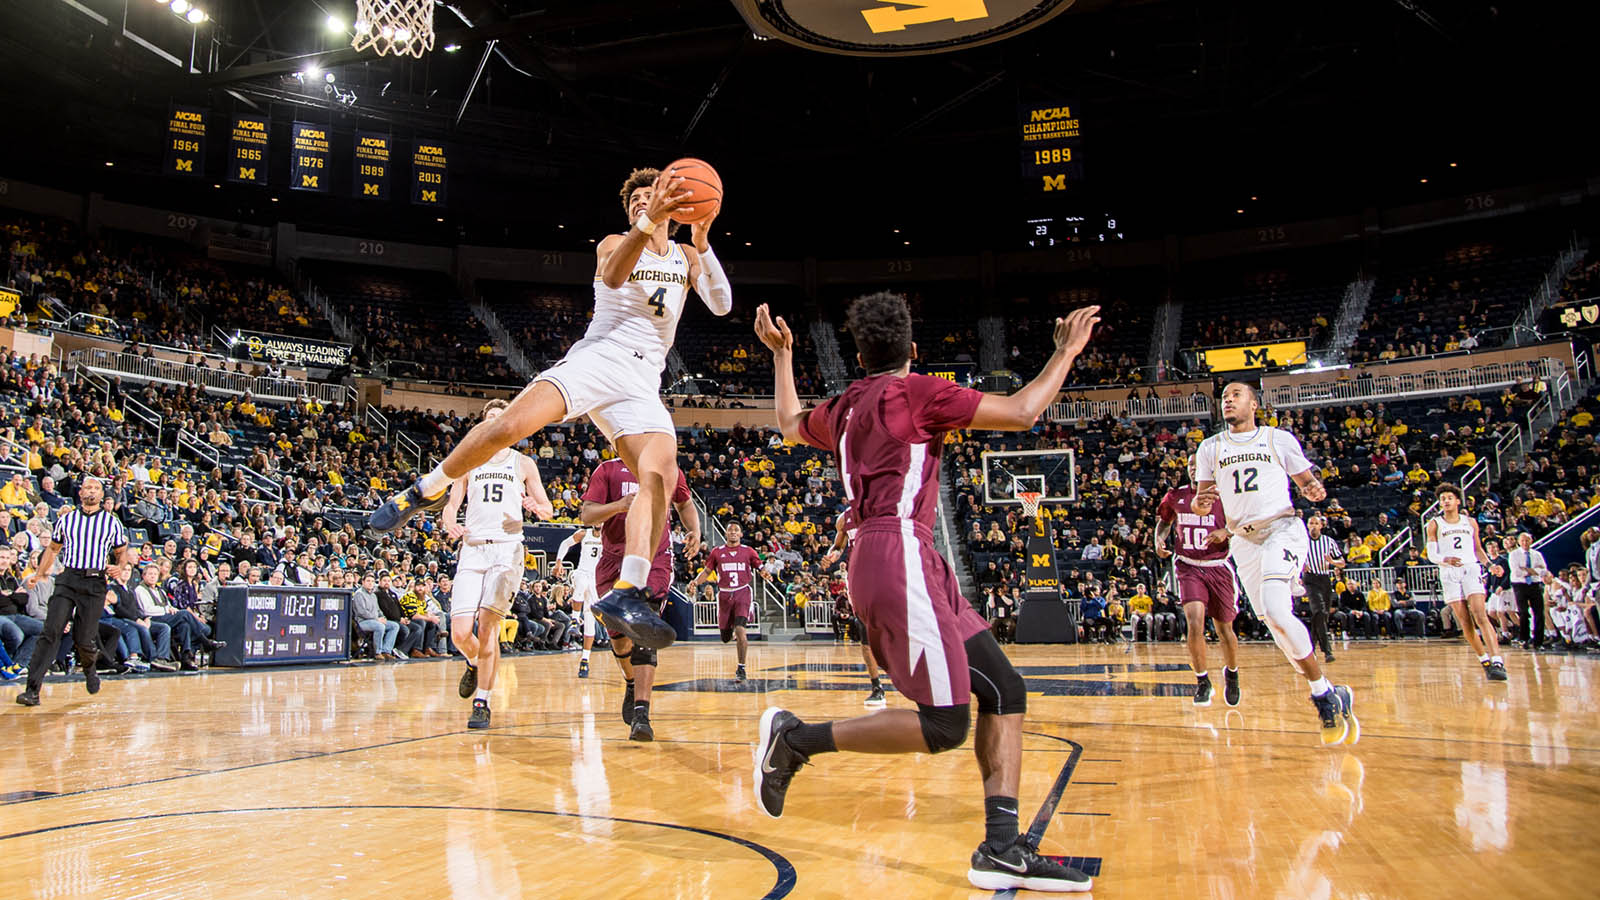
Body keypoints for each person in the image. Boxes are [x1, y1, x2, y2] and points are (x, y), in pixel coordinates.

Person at [750, 293, 1099, 892]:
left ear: (860, 356)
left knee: (1005, 690)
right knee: (945, 726)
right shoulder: (916, 392)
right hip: (898, 552)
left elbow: (786, 424)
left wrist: (782, 357)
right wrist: (1065, 352)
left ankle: (1002, 848)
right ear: (913, 351)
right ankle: (797, 738)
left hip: (898, 555)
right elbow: (1020, 412)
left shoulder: (845, 404)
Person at [368, 167, 730, 655]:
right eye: (635, 202)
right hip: (598, 358)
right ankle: (426, 488)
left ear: (675, 206)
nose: (642, 204)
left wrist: (703, 238)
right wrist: (644, 225)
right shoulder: (613, 242)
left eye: (651, 197)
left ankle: (629, 592)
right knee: (508, 426)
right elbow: (615, 273)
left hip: (644, 383)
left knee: (660, 475)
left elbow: (722, 304)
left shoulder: (686, 256)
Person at [1194, 383, 1358, 745]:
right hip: (1243, 541)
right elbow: (1202, 498)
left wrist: (1314, 489)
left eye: (1236, 394)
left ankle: (1321, 695)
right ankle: (1334, 692)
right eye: (1224, 397)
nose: (1229, 400)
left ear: (1254, 403)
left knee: (1275, 609)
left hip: (1280, 530)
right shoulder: (1210, 448)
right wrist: (1201, 505)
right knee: (1274, 622)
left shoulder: (1276, 439)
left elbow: (1306, 482)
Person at [439, 402, 552, 729]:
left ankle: (482, 702)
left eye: (498, 419)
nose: (494, 424)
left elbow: (547, 508)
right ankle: (474, 663)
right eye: (488, 419)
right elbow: (451, 504)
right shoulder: (468, 461)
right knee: (460, 633)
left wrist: (536, 506)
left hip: (506, 550)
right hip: (472, 550)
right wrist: (450, 524)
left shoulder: (523, 463)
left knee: (487, 627)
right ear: (481, 427)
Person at [580, 456, 700, 742]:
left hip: (654, 556)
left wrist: (694, 529)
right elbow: (587, 515)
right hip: (613, 560)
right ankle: (631, 682)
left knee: (645, 626)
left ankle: (642, 714)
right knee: (619, 636)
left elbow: (684, 502)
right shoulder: (607, 469)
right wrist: (620, 506)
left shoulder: (666, 465)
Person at [16, 477, 133, 707]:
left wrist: (118, 568)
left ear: (102, 495)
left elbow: (121, 552)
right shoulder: (66, 519)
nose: (91, 491)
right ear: (80, 493)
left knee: (83, 638)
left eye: (96, 488)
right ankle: (32, 690)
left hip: (95, 582)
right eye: (87, 487)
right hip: (68, 579)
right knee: (51, 631)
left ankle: (90, 670)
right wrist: (40, 574)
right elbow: (53, 548)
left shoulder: (112, 523)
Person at [1155, 456, 1241, 706]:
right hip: (1188, 565)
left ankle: (1232, 673)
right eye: (1190, 465)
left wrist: (1225, 532)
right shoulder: (1176, 495)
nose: (1193, 468)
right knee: (1194, 622)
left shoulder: (1227, 495)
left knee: (1225, 629)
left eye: (1198, 465)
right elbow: (1164, 522)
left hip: (1217, 566)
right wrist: (1158, 540)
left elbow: (1245, 525)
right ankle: (1202, 681)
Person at [1424, 485, 1508, 680]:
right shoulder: (1435, 524)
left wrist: (1490, 565)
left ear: (1457, 501)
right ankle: (1484, 660)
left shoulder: (1470, 522)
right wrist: (1444, 560)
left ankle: (1497, 660)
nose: (1446, 501)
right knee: (1465, 622)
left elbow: (1478, 548)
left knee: (1481, 614)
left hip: (1470, 568)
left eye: (1449, 498)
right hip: (1449, 572)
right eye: (1443, 498)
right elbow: (1431, 554)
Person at [822, 509, 888, 705]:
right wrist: (831, 556)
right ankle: (876, 686)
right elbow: (837, 547)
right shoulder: (844, 518)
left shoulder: (883, 509)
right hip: (858, 576)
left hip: (885, 572)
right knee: (864, 630)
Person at [691, 522, 764, 682]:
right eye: (729, 529)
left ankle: (741, 668)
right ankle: (730, 630)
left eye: (736, 530)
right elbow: (707, 571)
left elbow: (759, 565)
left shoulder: (748, 551)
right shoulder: (717, 552)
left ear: (741, 534)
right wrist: (695, 583)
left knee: (740, 629)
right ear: (725, 533)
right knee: (725, 638)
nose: (732, 532)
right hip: (724, 595)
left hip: (742, 593)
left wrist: (764, 572)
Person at [554, 525, 605, 678]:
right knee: (581, 583)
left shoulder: (608, 537)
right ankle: (575, 619)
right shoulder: (584, 534)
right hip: (581, 572)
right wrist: (558, 562)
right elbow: (565, 544)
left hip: (596, 579)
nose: (599, 522)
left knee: (590, 619)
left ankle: (585, 660)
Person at [1302, 515, 1341, 662]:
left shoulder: (1328, 541)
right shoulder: (1302, 542)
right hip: (1310, 578)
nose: (1313, 525)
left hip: (1325, 579)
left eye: (1316, 523)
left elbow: (1342, 562)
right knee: (1318, 611)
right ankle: (1327, 651)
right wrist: (1300, 566)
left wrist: (1333, 562)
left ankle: (1310, 648)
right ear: (1307, 525)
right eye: (1310, 523)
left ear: (1321, 526)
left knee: (1321, 616)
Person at [1507, 532, 1549, 649]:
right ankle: (1524, 638)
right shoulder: (1514, 554)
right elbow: (1517, 572)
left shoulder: (1537, 554)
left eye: (1527, 540)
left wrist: (1527, 570)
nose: (1525, 543)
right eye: (1523, 541)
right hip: (1519, 585)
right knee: (1523, 613)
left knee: (1539, 613)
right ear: (1519, 542)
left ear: (1531, 541)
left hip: (1535, 584)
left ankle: (1538, 642)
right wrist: (1534, 571)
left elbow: (1543, 570)